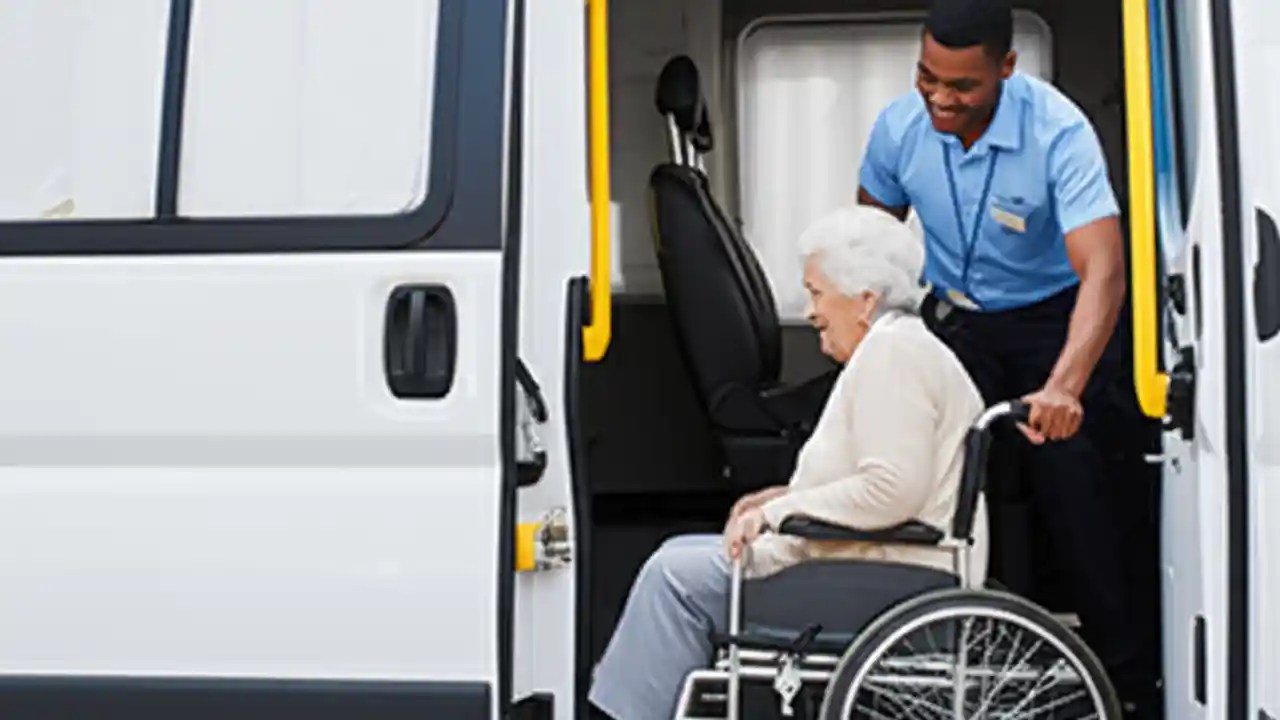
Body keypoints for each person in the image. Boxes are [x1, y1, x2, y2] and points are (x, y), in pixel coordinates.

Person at [854, 0, 1146, 711]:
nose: (940, 99)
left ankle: (1126, 681)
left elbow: (1104, 268)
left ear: (1006, 70)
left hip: (1055, 320)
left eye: (962, 86)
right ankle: (945, 655)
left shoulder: (1057, 133)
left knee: (1070, 480)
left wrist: (1065, 388)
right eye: (929, 78)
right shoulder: (900, 126)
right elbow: (868, 240)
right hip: (958, 317)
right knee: (943, 477)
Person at [588, 206, 986, 720]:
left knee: (673, 576)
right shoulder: (899, 348)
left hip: (892, 578)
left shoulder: (893, 356)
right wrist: (781, 498)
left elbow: (891, 489)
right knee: (681, 554)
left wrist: (776, 516)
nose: (810, 310)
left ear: (864, 300)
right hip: (880, 566)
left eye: (818, 293)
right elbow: (877, 479)